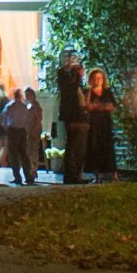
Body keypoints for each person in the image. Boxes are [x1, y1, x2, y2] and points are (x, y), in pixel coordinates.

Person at [80, 68, 119, 182]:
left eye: (100, 78)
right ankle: (97, 175)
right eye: (95, 78)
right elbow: (87, 106)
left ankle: (113, 173)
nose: (98, 80)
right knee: (94, 147)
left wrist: (100, 106)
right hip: (93, 122)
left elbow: (112, 106)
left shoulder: (107, 92)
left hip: (105, 122)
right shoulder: (88, 92)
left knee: (108, 146)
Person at [55, 51, 86, 184]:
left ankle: (77, 174)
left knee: (79, 145)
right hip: (71, 114)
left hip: (79, 113)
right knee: (72, 145)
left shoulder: (73, 74)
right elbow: (71, 89)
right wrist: (79, 76)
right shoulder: (63, 74)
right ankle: (70, 175)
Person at [5, 85, 40, 185]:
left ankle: (17, 176)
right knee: (24, 154)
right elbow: (27, 119)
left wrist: (6, 128)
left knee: (14, 155)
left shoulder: (10, 106)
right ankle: (28, 176)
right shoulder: (25, 107)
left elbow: (5, 119)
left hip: (13, 131)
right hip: (22, 131)